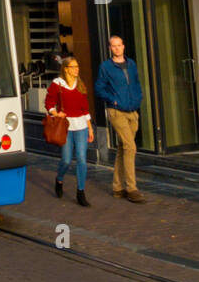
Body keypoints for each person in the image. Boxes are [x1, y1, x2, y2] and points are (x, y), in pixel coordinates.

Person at [95, 35, 145, 203]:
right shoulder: (106, 67)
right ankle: (132, 188)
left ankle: (117, 187)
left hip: (132, 110)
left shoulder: (131, 64)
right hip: (116, 111)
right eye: (113, 46)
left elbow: (137, 83)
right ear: (110, 48)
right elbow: (99, 88)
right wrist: (112, 99)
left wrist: (138, 98)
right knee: (131, 147)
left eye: (119, 45)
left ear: (123, 46)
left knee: (123, 148)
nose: (117, 48)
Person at [46, 55, 94, 206]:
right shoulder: (57, 84)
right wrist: (56, 113)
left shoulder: (80, 84)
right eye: (73, 67)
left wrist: (90, 129)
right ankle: (59, 180)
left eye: (77, 66)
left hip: (81, 127)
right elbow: (49, 102)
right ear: (66, 69)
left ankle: (81, 192)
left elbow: (85, 108)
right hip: (65, 127)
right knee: (66, 160)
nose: (77, 69)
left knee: (81, 159)